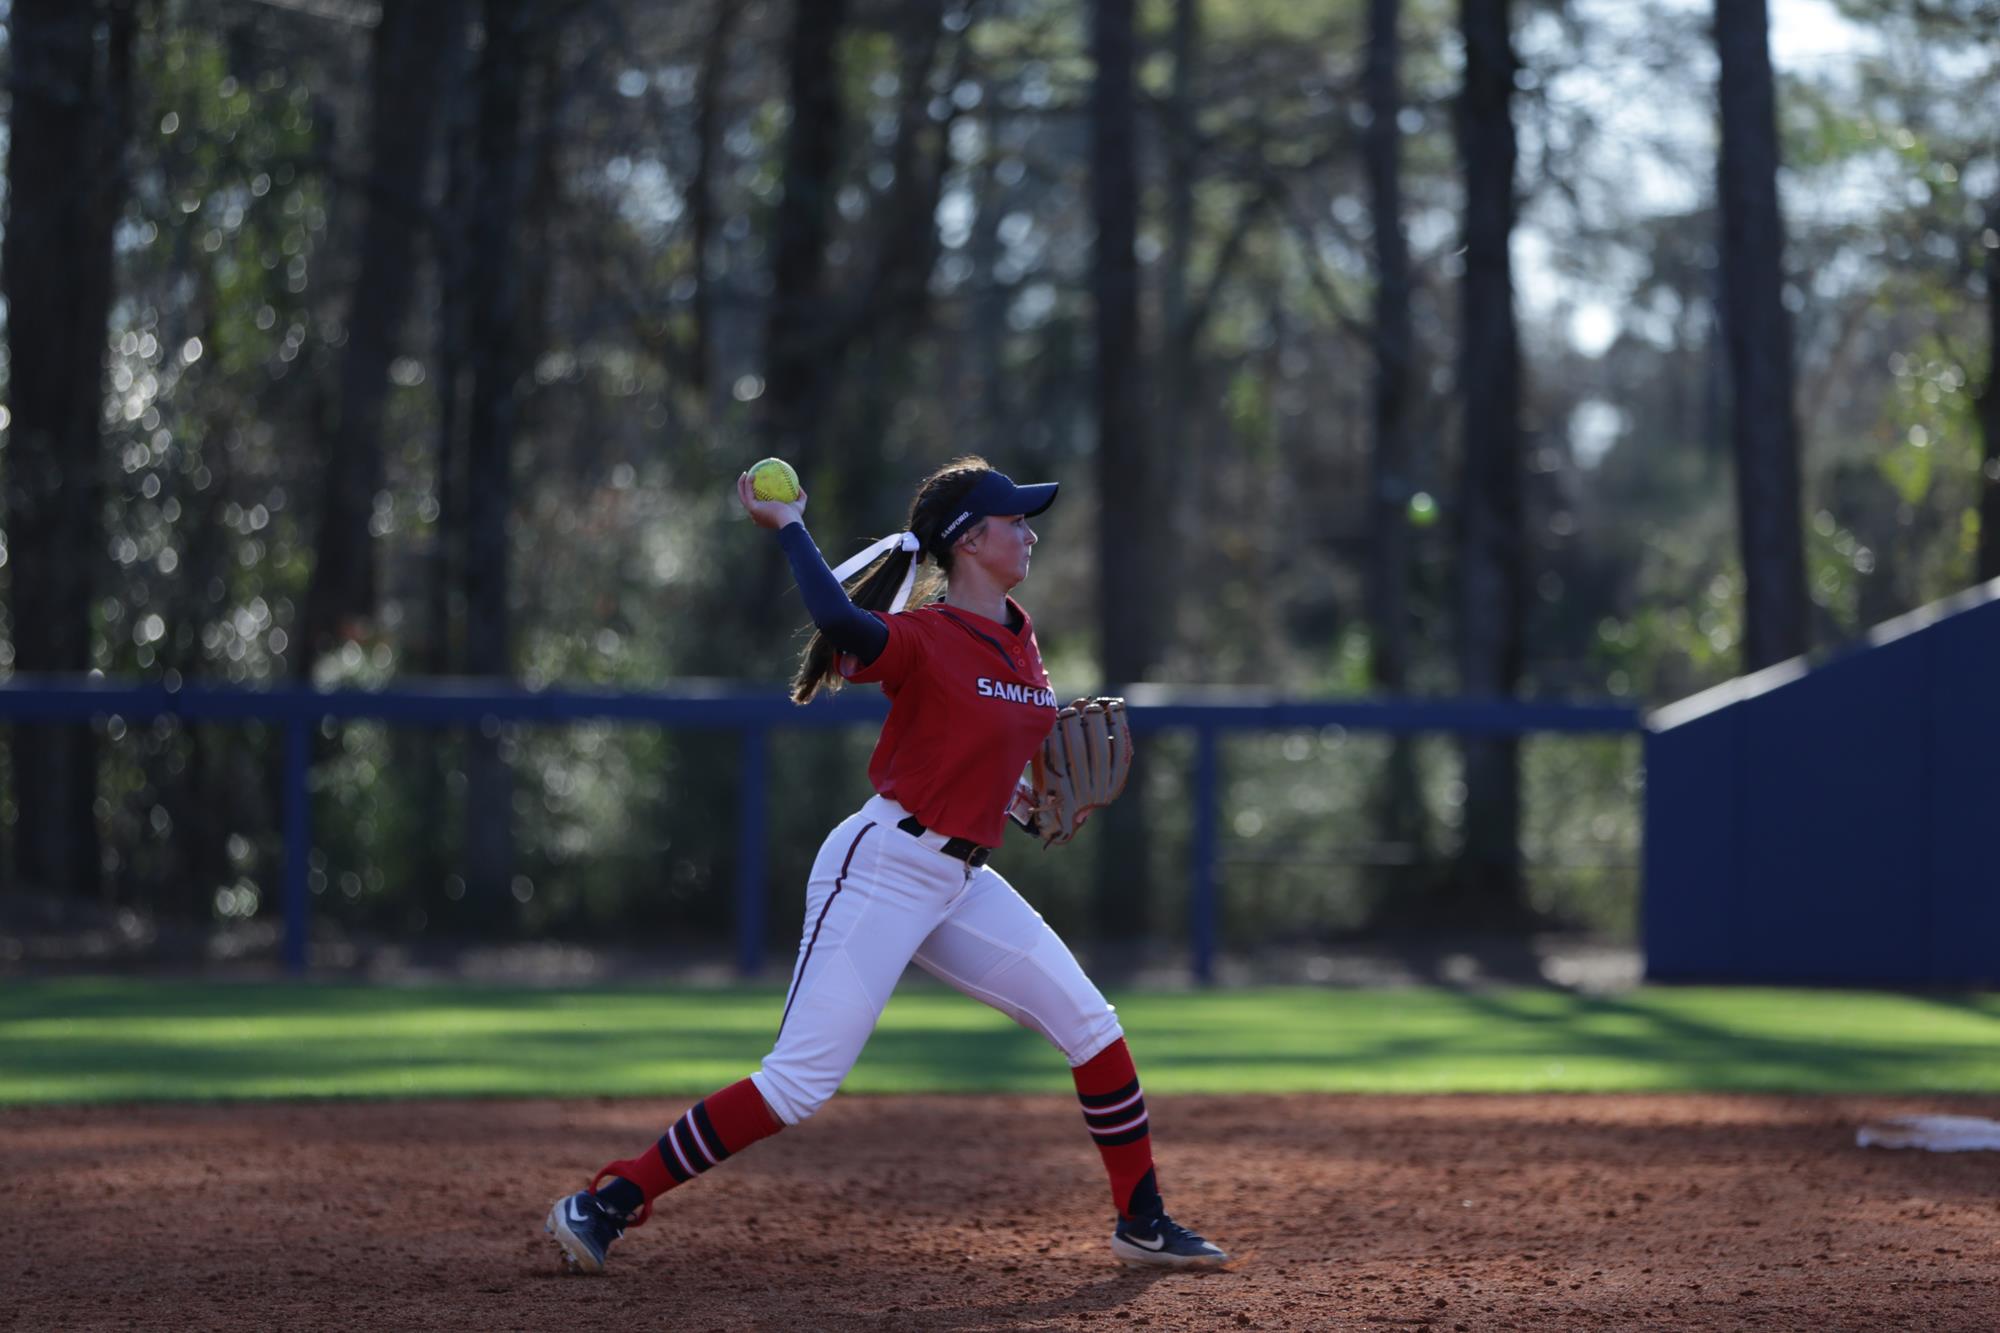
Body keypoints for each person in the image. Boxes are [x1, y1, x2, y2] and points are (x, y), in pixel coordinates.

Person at [545, 456, 1226, 1274]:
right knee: (797, 1084)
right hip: (881, 868)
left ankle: (1142, 1221)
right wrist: (790, 527)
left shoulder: (1019, 630)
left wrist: (1019, 795)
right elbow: (840, 620)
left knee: (1094, 1028)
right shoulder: (922, 637)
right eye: (1014, 520)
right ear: (970, 540)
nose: (1029, 531)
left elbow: (997, 746)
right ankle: (608, 1200)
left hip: (960, 879)